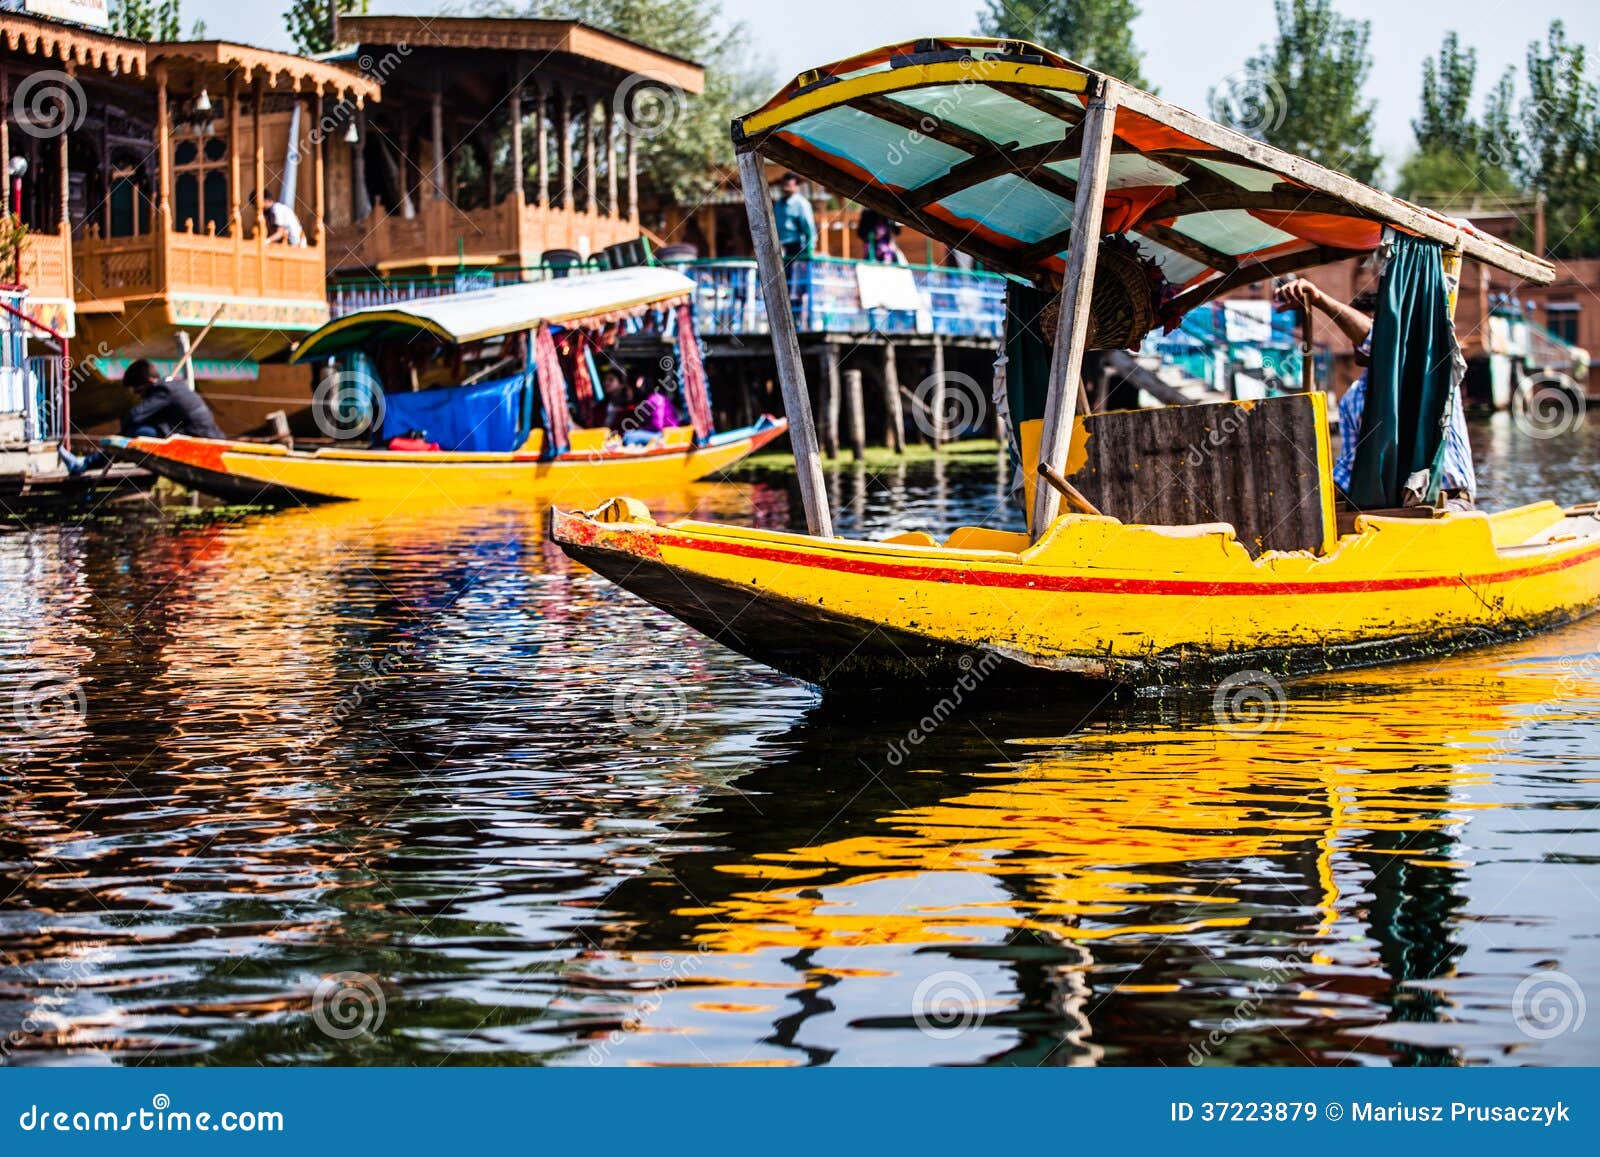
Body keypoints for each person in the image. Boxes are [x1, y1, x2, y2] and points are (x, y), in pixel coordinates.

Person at [1276, 278, 1474, 508]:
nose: (1353, 342)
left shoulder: (1425, 368)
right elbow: (1348, 471)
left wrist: (1319, 299)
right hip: (1392, 509)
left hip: (1449, 505)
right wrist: (1303, 500)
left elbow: (1378, 342)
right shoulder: (1353, 397)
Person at [58, 359, 226, 474]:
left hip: (202, 441)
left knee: (135, 432)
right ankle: (87, 463)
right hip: (198, 435)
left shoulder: (163, 390)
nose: (140, 397)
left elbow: (134, 415)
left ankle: (84, 464)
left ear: (147, 383)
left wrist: (124, 433)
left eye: (138, 392)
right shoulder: (172, 385)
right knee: (139, 431)